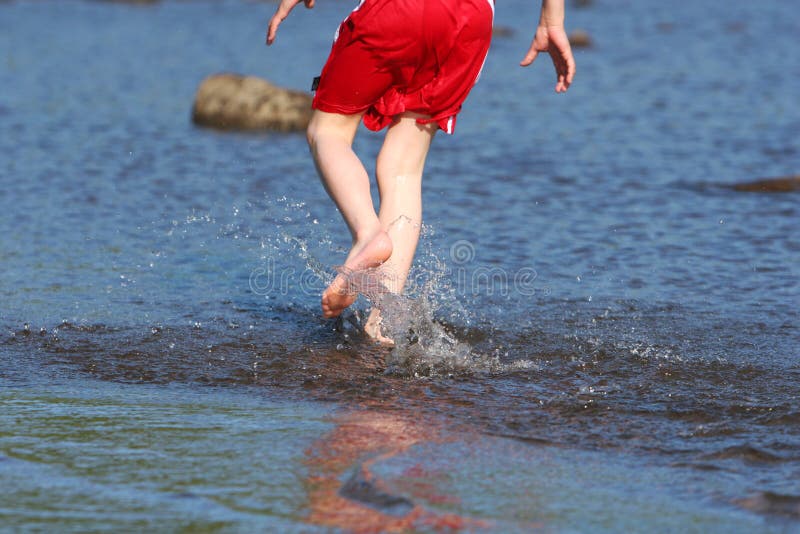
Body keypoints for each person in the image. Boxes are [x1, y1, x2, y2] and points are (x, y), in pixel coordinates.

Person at [267, 0, 575, 342]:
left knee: (328, 132)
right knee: (403, 169)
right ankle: (381, 323)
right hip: (468, 21)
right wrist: (552, 20)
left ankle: (368, 233)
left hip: (397, 11)